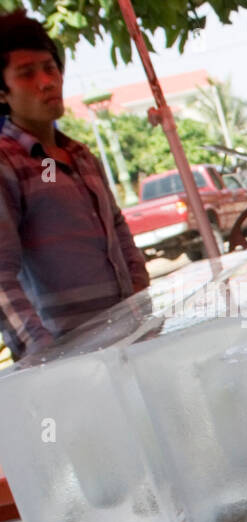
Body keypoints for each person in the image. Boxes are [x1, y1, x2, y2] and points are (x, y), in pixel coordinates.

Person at [0, 12, 149, 363]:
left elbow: (118, 228)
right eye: (27, 74)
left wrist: (142, 301)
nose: (47, 81)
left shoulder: (74, 157)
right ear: (2, 92)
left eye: (50, 68)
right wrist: (43, 355)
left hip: (131, 342)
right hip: (72, 362)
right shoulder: (7, 164)